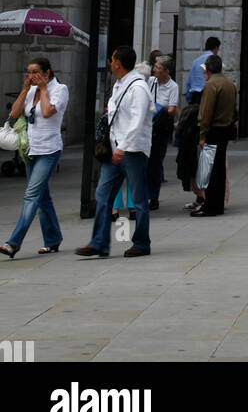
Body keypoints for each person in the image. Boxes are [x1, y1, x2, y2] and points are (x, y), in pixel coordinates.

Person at [76, 45, 155, 258]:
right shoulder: (120, 85)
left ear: (118, 63)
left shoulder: (137, 88)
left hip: (132, 150)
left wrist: (122, 147)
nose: (110, 63)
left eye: (112, 60)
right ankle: (99, 242)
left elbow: (137, 121)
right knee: (102, 194)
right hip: (115, 149)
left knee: (138, 199)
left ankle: (141, 243)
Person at [1, 57, 69, 258]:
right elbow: (14, 113)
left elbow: (48, 112)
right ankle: (53, 239)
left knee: (31, 196)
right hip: (30, 149)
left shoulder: (60, 89)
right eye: (28, 72)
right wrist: (24, 90)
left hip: (49, 150)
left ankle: (13, 243)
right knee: (42, 198)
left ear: (47, 73)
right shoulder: (30, 90)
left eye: (35, 72)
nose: (31, 76)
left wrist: (44, 90)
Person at [192, 55, 237, 217]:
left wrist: (202, 134)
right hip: (225, 129)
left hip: (213, 130)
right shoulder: (229, 84)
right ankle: (218, 204)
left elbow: (205, 112)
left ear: (209, 70)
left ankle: (210, 205)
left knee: (209, 168)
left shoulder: (211, 85)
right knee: (219, 169)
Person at [147, 54, 179, 209]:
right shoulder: (151, 81)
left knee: (156, 161)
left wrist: (159, 107)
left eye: (158, 68)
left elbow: (172, 109)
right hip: (148, 126)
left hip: (161, 128)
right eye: (155, 66)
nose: (154, 70)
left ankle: (154, 197)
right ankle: (144, 194)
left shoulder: (173, 86)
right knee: (145, 161)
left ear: (166, 71)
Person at [185, 36, 221, 105]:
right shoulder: (216, 61)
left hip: (195, 96)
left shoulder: (195, 61)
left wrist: (189, 99)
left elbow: (189, 82)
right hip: (209, 95)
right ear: (216, 48)